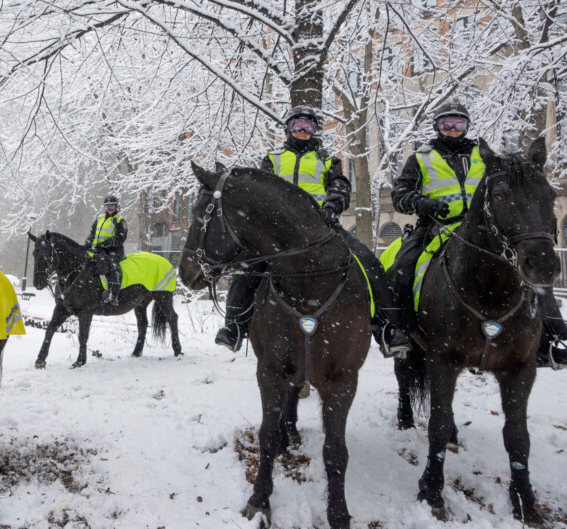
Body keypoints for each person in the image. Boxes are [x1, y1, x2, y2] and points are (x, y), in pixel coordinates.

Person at [214, 106, 411, 358]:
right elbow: (261, 195)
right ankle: (234, 326)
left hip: (322, 227)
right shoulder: (272, 159)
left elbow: (340, 187)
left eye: (309, 126)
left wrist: (332, 205)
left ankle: (388, 329)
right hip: (279, 233)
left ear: (315, 130)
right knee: (248, 267)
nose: (303, 131)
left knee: (368, 263)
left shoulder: (328, 159)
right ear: (287, 129)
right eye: (297, 125)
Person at [390, 102, 567, 368]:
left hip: (484, 228)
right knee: (404, 265)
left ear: (467, 126)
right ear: (437, 126)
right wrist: (422, 203)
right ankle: (402, 329)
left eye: (458, 124)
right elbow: (400, 194)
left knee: (532, 267)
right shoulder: (421, 157)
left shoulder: (483, 156)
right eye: (446, 124)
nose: (452, 129)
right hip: (437, 225)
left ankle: (551, 337)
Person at [85, 195, 127, 306]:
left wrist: (106, 243)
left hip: (113, 251)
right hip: (98, 249)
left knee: (112, 267)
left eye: (112, 206)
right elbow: (92, 233)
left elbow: (120, 238)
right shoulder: (99, 218)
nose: (109, 209)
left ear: (116, 207)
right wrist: (88, 241)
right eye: (107, 206)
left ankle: (113, 294)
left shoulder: (119, 220)